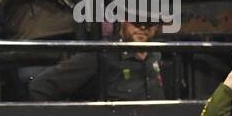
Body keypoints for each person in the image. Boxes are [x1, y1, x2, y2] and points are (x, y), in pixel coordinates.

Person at [27, 18, 165, 101]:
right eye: (137, 20)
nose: (142, 27)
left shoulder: (157, 56)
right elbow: (42, 86)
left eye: (149, 22)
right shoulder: (100, 54)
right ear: (124, 19)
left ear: (157, 26)